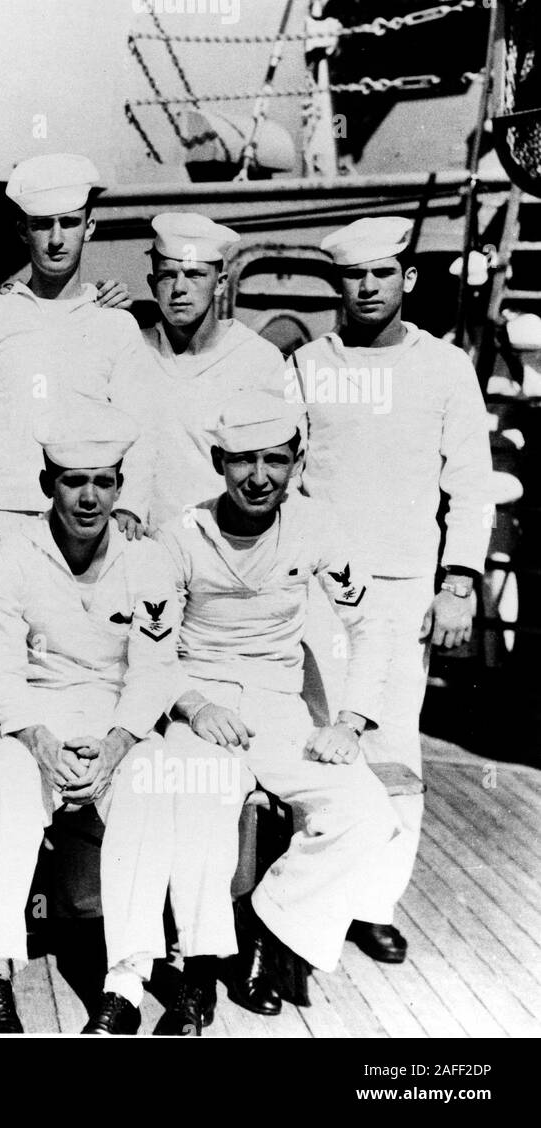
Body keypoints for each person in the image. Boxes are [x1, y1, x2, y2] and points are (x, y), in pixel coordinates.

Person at [156, 389, 399, 1020]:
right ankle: (199, 968)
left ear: (297, 461)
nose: (258, 477)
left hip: (280, 707)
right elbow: (146, 645)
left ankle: (266, 926)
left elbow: (372, 622)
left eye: (275, 460)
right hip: (201, 705)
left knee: (366, 811)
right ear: (217, 461)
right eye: (241, 461)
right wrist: (189, 703)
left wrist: (349, 721)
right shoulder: (181, 533)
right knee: (204, 800)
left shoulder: (316, 527)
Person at [292, 216, 494, 964]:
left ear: (406, 280)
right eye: (354, 276)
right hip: (318, 587)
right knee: (314, 732)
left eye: (383, 274)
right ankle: (308, 891)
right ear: (338, 285)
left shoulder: (445, 369)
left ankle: (373, 900)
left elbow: (470, 487)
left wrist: (460, 581)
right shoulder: (309, 365)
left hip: (405, 585)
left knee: (392, 740)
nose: (368, 288)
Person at [0, 401, 182, 1034]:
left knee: (149, 780)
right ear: (46, 485)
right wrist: (39, 742)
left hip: (120, 722)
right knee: (3, 778)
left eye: (104, 482)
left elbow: (153, 670)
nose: (89, 498)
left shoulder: (148, 562)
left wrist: (116, 746)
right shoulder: (11, 558)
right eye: (72, 481)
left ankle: (125, 987)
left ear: (119, 485)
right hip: (37, 720)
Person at [0, 153, 154, 535]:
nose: (56, 240)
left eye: (69, 223)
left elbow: (139, 426)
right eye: (42, 226)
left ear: (89, 227)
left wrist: (131, 507)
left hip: (81, 518)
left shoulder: (115, 324)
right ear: (22, 230)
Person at [136, 212, 288, 531]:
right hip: (148, 546)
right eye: (167, 276)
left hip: (226, 545)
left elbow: (283, 467)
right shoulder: (133, 352)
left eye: (194, 275)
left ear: (220, 283)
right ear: (152, 284)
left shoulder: (258, 360)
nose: (179, 288)